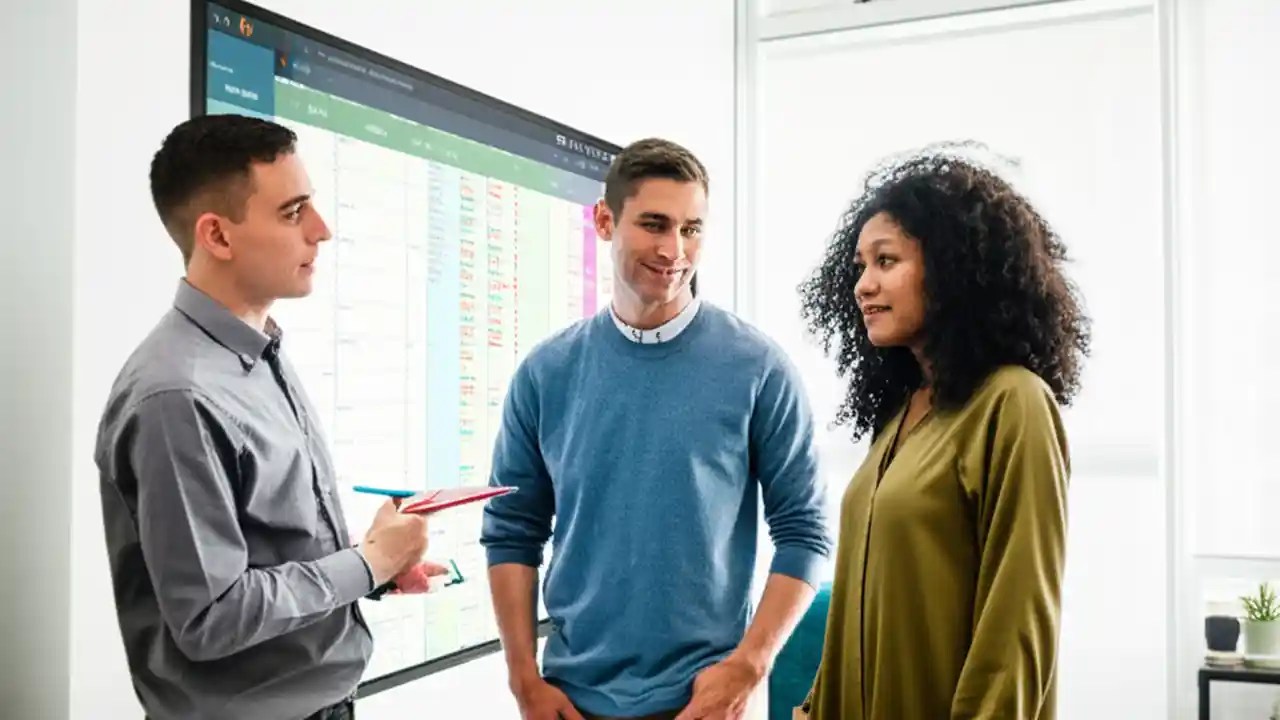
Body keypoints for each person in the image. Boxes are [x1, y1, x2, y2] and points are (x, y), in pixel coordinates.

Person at [94, 114, 441, 720]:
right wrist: (367, 563)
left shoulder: (258, 354)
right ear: (218, 236)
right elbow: (210, 615)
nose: (322, 230)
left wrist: (373, 572)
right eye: (292, 212)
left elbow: (265, 557)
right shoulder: (177, 396)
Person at [480, 137, 834, 720]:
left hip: (705, 704)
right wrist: (523, 680)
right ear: (604, 220)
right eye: (655, 225)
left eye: (691, 229)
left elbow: (807, 532)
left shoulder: (758, 368)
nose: (675, 250)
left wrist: (749, 667)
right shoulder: (546, 374)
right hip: (569, 701)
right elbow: (512, 532)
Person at [794, 143, 1092, 719]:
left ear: (954, 269)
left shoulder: (1014, 403)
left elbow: (1018, 625)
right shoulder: (901, 415)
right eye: (860, 266)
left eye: (886, 261)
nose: (863, 285)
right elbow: (860, 595)